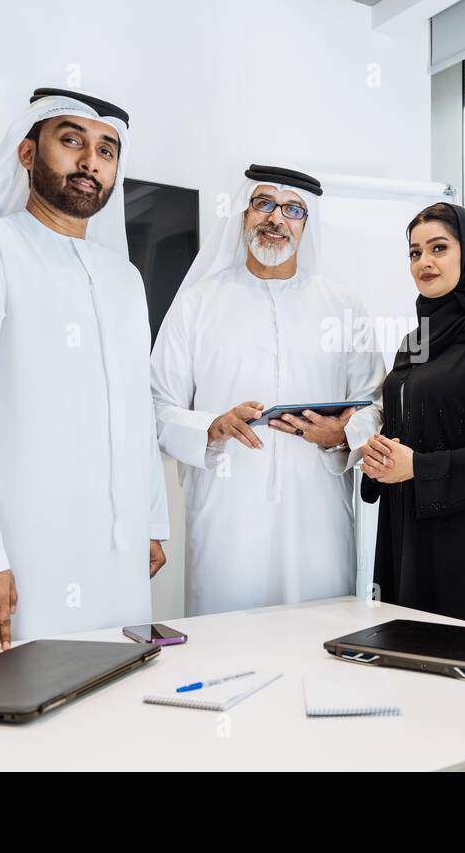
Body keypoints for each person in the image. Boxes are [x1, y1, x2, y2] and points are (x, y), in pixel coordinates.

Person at [0, 88, 169, 654]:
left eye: (106, 150)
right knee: (6, 711)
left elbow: (135, 408)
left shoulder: (125, 279)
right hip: (15, 549)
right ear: (27, 153)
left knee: (111, 703)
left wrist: (151, 518)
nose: (89, 161)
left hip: (114, 549)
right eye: (72, 140)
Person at [150, 164, 383, 614]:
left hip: (318, 520)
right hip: (226, 521)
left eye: (293, 209)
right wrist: (212, 425)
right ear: (243, 215)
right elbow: (158, 405)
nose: (276, 218)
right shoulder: (197, 304)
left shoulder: (343, 307)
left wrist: (342, 434)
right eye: (264, 204)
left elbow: (374, 404)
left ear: (306, 224)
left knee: (320, 648)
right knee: (225, 649)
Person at [359, 203, 465, 629]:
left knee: (463, 664)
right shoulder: (412, 344)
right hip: (405, 529)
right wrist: (380, 458)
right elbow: (401, 425)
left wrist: (419, 467)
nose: (425, 262)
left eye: (439, 248)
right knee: (406, 659)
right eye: (415, 253)